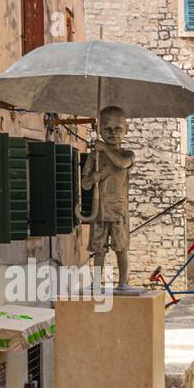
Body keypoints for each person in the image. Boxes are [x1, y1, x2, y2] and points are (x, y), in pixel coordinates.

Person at [81, 105, 135, 289]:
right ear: (100, 130)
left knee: (121, 249)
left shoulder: (128, 154)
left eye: (118, 128)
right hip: (99, 210)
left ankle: (123, 282)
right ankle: (96, 283)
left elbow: (121, 164)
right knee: (99, 250)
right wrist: (92, 178)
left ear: (125, 130)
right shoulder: (94, 156)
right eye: (107, 129)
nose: (113, 133)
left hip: (119, 211)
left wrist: (104, 148)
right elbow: (85, 183)